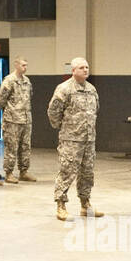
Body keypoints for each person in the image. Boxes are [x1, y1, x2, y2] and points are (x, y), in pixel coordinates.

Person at [48, 56, 102, 220]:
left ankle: (85, 205)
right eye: (81, 68)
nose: (85, 70)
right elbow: (53, 112)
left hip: (89, 139)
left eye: (87, 67)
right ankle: (61, 205)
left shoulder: (92, 89)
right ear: (73, 71)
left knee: (87, 173)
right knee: (67, 171)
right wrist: (64, 129)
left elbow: (96, 110)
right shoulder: (64, 89)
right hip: (71, 140)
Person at [0, 57, 35, 183]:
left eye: (26, 65)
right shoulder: (9, 80)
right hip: (12, 120)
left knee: (25, 147)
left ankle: (24, 171)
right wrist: (10, 112)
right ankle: (9, 173)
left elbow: (30, 97)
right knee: (11, 147)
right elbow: (1, 100)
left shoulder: (27, 81)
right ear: (16, 65)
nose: (25, 67)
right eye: (23, 65)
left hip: (26, 119)